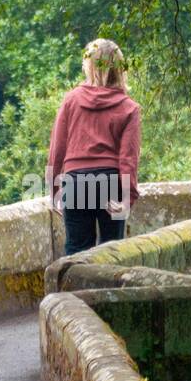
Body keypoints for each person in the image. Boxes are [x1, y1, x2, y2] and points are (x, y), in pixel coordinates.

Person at [47, 38, 141, 256]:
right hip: (110, 182)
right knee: (113, 251)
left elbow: (57, 149)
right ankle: (106, 291)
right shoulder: (129, 108)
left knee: (77, 250)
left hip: (75, 181)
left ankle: (73, 290)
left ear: (89, 67)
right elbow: (128, 159)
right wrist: (128, 198)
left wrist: (53, 190)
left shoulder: (71, 100)